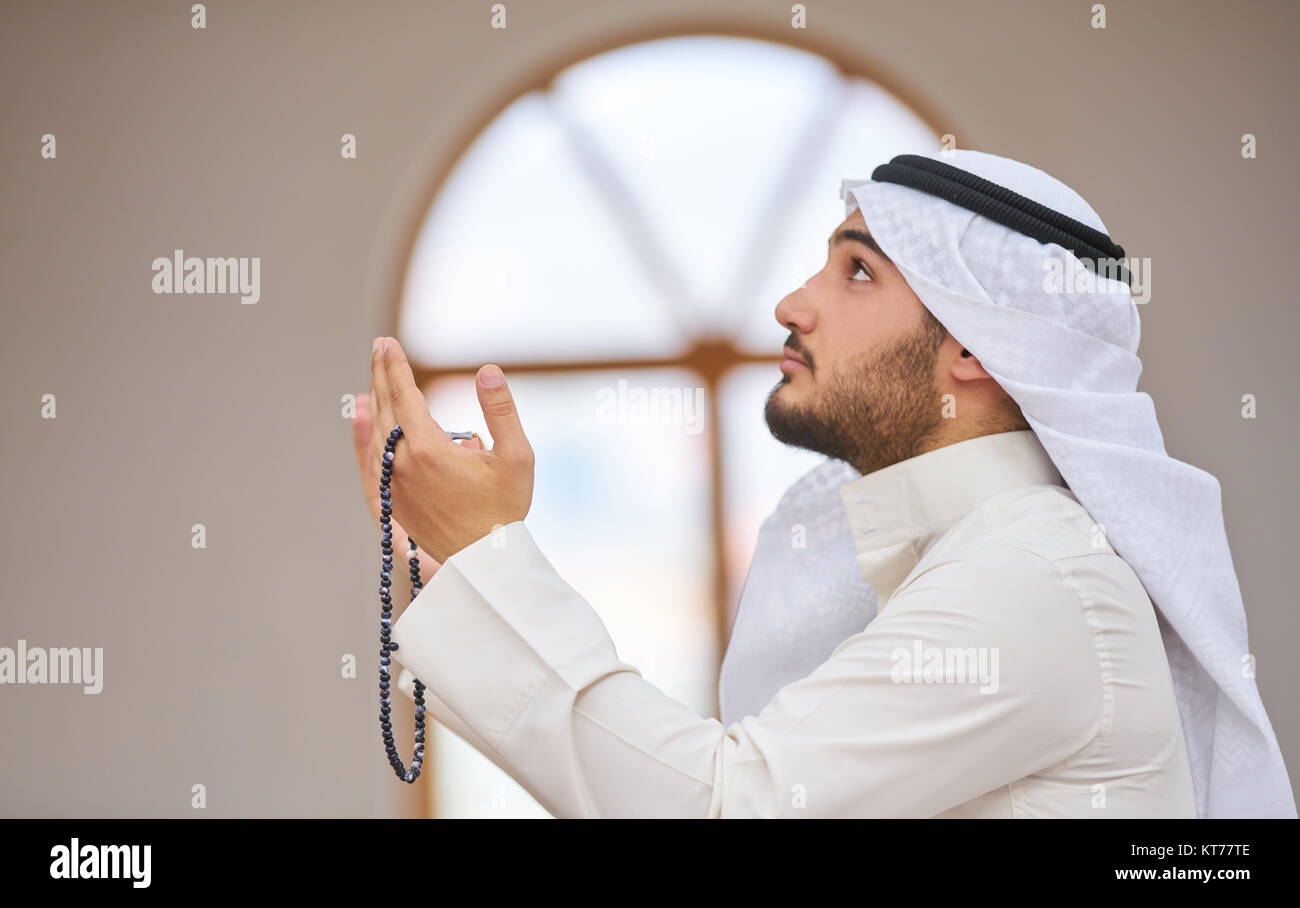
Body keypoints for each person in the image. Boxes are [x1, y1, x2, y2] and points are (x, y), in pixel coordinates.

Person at [352, 149, 1295, 818]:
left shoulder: (1038, 575)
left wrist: (485, 556)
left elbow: (727, 805)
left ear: (975, 346)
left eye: (857, 272)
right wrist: (460, 560)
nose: (793, 303)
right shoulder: (980, 561)